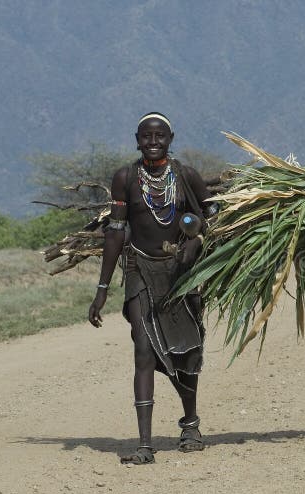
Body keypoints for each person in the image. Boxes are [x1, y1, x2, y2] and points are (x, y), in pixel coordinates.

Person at [88, 112, 218, 464]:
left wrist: (198, 238)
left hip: (180, 275)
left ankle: (190, 423)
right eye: (147, 136)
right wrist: (102, 289)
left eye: (160, 135)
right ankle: (145, 445)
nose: (153, 141)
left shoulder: (186, 176)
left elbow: (213, 214)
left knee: (186, 354)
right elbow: (115, 231)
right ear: (137, 138)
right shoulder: (126, 179)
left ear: (171, 138)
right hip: (139, 271)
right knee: (144, 353)